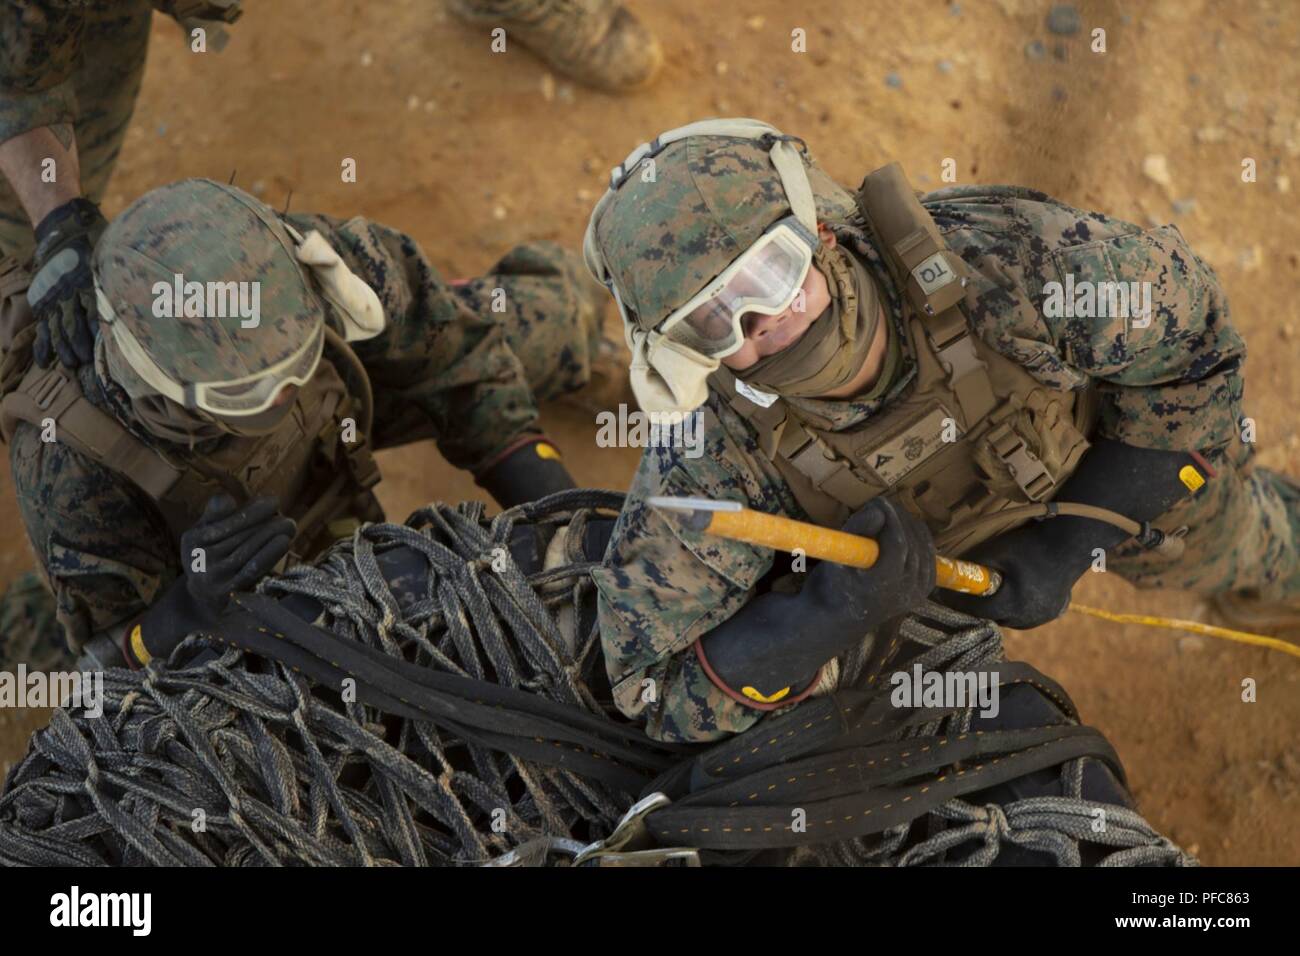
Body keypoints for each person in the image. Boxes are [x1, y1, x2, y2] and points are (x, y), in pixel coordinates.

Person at [580, 118, 1299, 744]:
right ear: (684, 352)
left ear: (818, 230)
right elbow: (652, 689)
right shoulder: (709, 462)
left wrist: (1075, 540)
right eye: (713, 320)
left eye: (769, 272)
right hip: (922, 626)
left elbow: (1196, 350)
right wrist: (829, 615)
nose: (758, 320)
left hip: (1121, 480)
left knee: (1233, 547)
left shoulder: (1019, 262)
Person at [0, 177, 605, 668]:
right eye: (253, 387)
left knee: (553, 326)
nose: (285, 391)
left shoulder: (299, 263)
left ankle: (587, 338)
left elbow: (458, 360)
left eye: (293, 362)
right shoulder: (70, 466)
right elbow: (116, 652)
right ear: (151, 382)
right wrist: (189, 608)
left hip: (338, 413)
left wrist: (566, 517)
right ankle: (28, 627)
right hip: (205, 555)